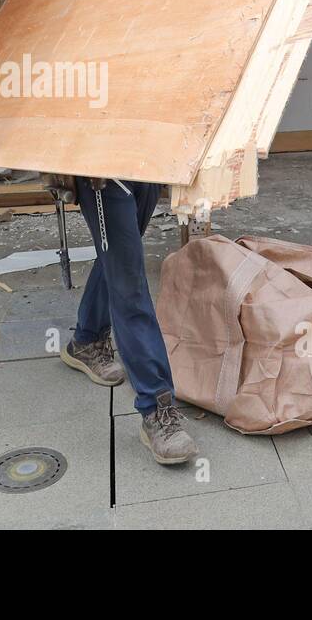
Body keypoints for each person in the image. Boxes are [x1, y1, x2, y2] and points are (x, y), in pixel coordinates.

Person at [56, 175, 199, 465]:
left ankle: (87, 338)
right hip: (102, 171)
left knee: (119, 257)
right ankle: (156, 407)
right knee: (129, 286)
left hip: (146, 164)